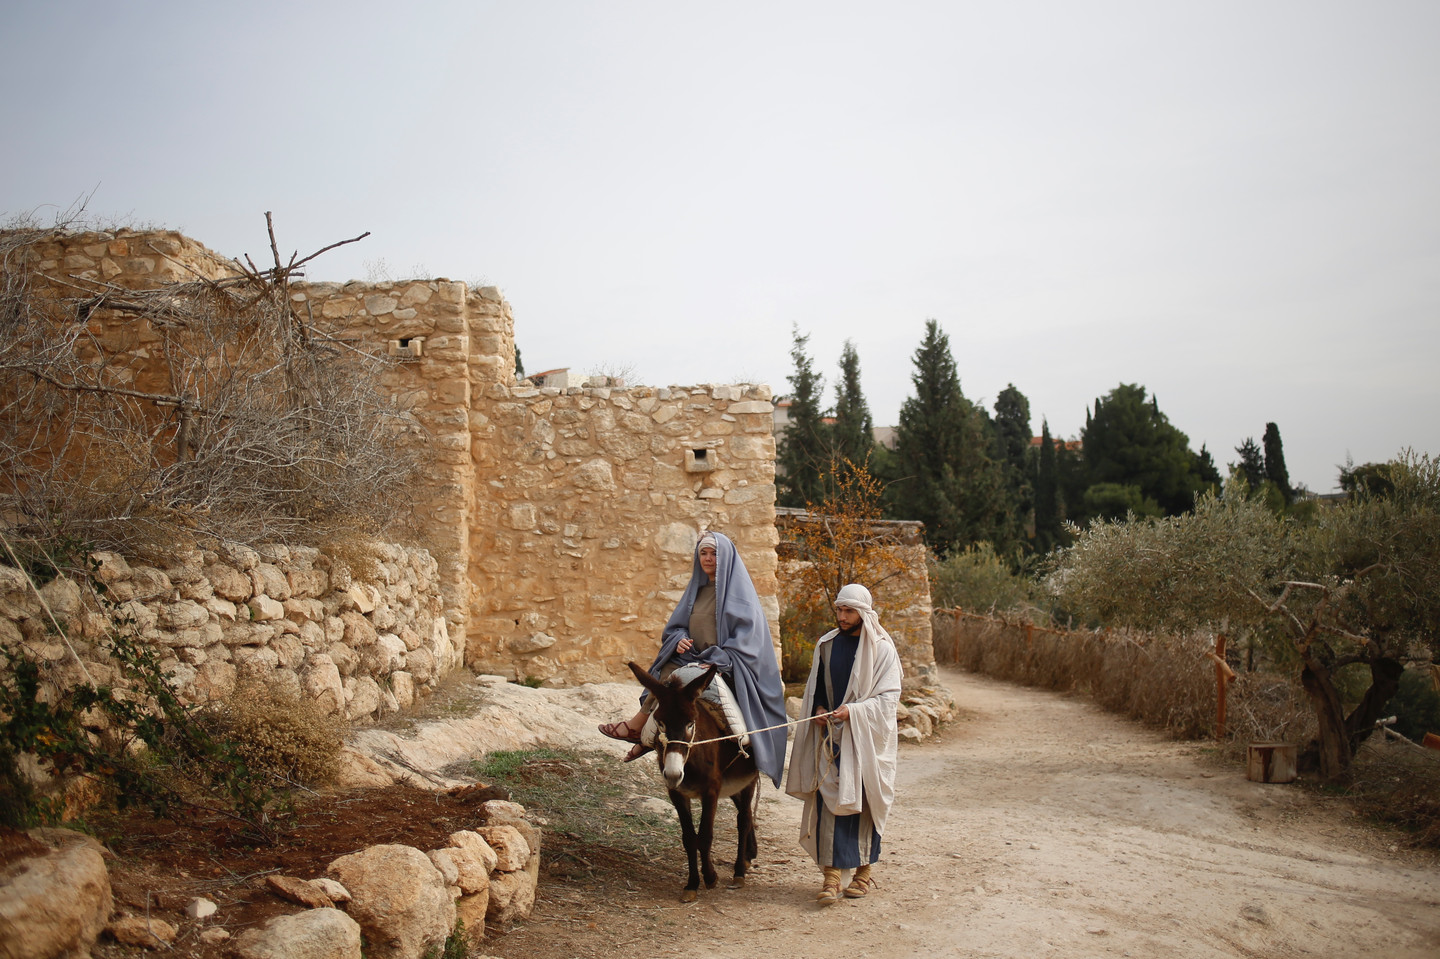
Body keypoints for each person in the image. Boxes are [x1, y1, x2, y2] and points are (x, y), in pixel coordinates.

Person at [598, 531, 789, 785]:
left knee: (684, 677)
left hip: (725, 665)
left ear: (727, 558)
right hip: (693, 658)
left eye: (714, 554)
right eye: (703, 553)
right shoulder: (696, 591)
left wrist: (716, 660)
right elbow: (676, 627)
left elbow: (747, 641)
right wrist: (679, 641)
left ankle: (640, 733)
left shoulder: (740, 596)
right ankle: (644, 730)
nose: (708, 559)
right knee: (666, 669)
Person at [785, 583, 902, 905]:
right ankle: (831, 877)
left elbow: (889, 699)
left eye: (849, 611)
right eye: (839, 610)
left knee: (864, 803)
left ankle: (863, 872)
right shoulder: (826, 645)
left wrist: (856, 711)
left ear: (863, 612)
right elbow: (817, 689)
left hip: (865, 741)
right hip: (831, 740)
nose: (842, 616)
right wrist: (820, 710)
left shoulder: (882, 649)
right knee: (829, 803)